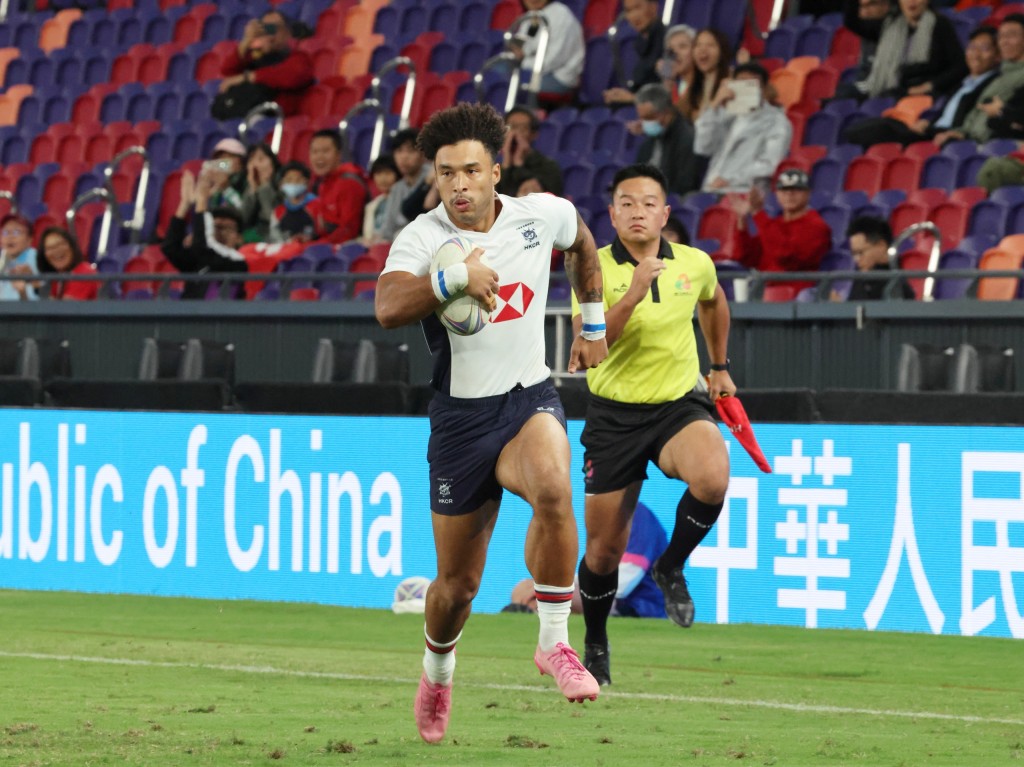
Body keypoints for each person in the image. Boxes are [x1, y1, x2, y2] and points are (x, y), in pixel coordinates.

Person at [374, 102, 609, 743]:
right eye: (446, 173)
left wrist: (592, 325)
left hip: (526, 398)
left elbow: (583, 242)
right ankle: (437, 672)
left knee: (556, 490)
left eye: (471, 170)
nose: (459, 185)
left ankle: (555, 644)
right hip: (460, 421)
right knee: (457, 585)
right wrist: (454, 278)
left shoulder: (541, 216)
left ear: (496, 172)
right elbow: (389, 306)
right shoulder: (423, 238)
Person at [572, 163, 734, 687]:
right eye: (626, 203)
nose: (637, 211)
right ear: (612, 214)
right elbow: (592, 348)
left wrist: (719, 366)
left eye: (648, 203)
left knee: (712, 476)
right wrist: (634, 291)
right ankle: (595, 639)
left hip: (675, 407)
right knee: (603, 553)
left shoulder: (694, 263)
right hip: (614, 416)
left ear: (664, 214)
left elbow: (714, 302)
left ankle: (670, 567)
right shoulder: (591, 268)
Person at [842, 26, 1000, 147]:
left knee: (880, 129)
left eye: (984, 49)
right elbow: (945, 113)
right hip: (931, 129)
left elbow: (967, 121)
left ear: (998, 55)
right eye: (972, 47)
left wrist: (937, 130)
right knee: (871, 125)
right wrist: (928, 122)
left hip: (944, 135)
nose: (976, 54)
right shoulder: (962, 84)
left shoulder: (993, 84)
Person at [727, 169, 832, 294]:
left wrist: (757, 213)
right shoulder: (775, 225)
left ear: (808, 193)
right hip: (764, 291)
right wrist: (742, 220)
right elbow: (745, 257)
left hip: (796, 295)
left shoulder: (817, 226)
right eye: (784, 190)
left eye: (796, 189)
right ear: (776, 194)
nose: (789, 194)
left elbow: (785, 256)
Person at [694, 62, 792, 193]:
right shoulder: (727, 115)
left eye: (751, 84)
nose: (745, 89)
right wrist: (714, 105)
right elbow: (702, 147)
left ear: (764, 88)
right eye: (741, 84)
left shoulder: (777, 122)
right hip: (711, 189)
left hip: (745, 192)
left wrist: (730, 179)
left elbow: (770, 164)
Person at [841, 0, 966, 101]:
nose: (911, 2)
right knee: (840, 98)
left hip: (925, 94)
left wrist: (930, 85)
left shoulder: (940, 25)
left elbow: (960, 66)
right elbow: (852, 22)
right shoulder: (890, 25)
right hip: (892, 90)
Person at [933, 15, 1024, 146]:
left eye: (1011, 35)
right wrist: (961, 132)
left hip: (996, 144)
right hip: (973, 140)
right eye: (1001, 36)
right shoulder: (999, 76)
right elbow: (977, 110)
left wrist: (1002, 111)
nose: (1004, 41)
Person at [162, 169, 249, 300]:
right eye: (216, 227)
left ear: (239, 239)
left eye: (227, 228)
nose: (220, 232)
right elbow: (170, 247)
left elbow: (204, 245)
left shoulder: (238, 263)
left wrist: (202, 201)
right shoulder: (198, 259)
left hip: (218, 319)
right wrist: (184, 204)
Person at [214, 10, 314, 118]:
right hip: (243, 115)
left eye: (276, 28)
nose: (271, 35)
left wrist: (247, 77)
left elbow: (292, 76)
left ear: (288, 32)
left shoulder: (297, 57)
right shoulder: (255, 58)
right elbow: (227, 70)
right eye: (266, 28)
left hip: (275, 120)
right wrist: (246, 41)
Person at [634, 83, 702, 197]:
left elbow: (684, 186)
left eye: (648, 117)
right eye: (641, 117)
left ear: (666, 112)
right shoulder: (651, 140)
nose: (644, 123)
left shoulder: (686, 139)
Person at [508, 0, 585, 95]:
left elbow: (553, 60)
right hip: (533, 70)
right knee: (499, 73)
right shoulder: (530, 15)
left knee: (514, 84)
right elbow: (525, 48)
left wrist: (523, 60)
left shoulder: (561, 14)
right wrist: (519, 53)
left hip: (558, 77)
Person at [308, 129, 369, 244]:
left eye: (325, 151)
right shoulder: (322, 184)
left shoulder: (349, 183)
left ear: (338, 155)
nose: (319, 157)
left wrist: (315, 245)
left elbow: (349, 232)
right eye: (314, 152)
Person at [837, 216, 915, 301]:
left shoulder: (898, 283)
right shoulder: (861, 280)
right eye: (854, 254)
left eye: (860, 252)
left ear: (881, 246)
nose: (856, 259)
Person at [604, 0, 665, 105]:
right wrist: (623, 95)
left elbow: (667, 98)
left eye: (638, 7)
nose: (634, 15)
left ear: (653, 7)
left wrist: (631, 98)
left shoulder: (667, 42)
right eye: (628, 10)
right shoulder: (639, 43)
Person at [496, 106, 564, 197]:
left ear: (533, 134)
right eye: (511, 127)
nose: (516, 133)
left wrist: (518, 163)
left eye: (523, 128)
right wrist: (506, 163)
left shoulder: (548, 166)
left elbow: (546, 196)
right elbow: (495, 197)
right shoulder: (496, 166)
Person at [377, 129, 429, 242]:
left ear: (422, 154)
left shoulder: (433, 177)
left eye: (410, 151)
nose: (404, 157)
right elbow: (387, 229)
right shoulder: (396, 188)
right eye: (399, 151)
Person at [835, 0, 894, 100]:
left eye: (871, 5)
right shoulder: (866, 30)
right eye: (862, 7)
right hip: (862, 83)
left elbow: (851, 21)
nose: (865, 12)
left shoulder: (892, 28)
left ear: (886, 5)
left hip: (882, 88)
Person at [682, 27, 732, 121]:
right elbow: (675, 117)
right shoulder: (693, 85)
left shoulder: (733, 79)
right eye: (698, 45)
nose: (702, 50)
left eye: (710, 45)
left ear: (722, 51)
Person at [36, 228, 98, 301]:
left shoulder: (84, 273)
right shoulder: (57, 279)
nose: (57, 251)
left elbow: (65, 309)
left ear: (72, 246)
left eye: (61, 244)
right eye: (50, 248)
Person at [269, 161, 323, 243]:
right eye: (289, 180)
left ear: (307, 183)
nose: (293, 183)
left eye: (298, 180)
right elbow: (275, 238)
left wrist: (309, 238)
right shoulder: (278, 212)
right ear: (281, 185)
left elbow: (323, 232)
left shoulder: (317, 205)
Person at [240, 142, 282, 242]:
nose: (255, 165)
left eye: (261, 159)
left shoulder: (283, 183)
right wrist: (253, 189)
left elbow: (272, 219)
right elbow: (243, 219)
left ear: (272, 162)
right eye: (251, 161)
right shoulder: (247, 186)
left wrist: (264, 186)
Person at [362, 154, 400, 244]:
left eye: (388, 173)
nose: (383, 179)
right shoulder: (372, 206)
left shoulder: (402, 201)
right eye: (378, 174)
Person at [0, 213, 38, 301]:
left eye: (16, 232)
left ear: (29, 240)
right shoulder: (2, 258)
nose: (10, 237)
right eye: (5, 233)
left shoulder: (35, 257)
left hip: (27, 311)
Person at [660, 24, 696, 107]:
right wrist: (667, 80)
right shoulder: (675, 85)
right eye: (671, 50)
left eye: (682, 47)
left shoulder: (702, 84)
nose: (675, 53)